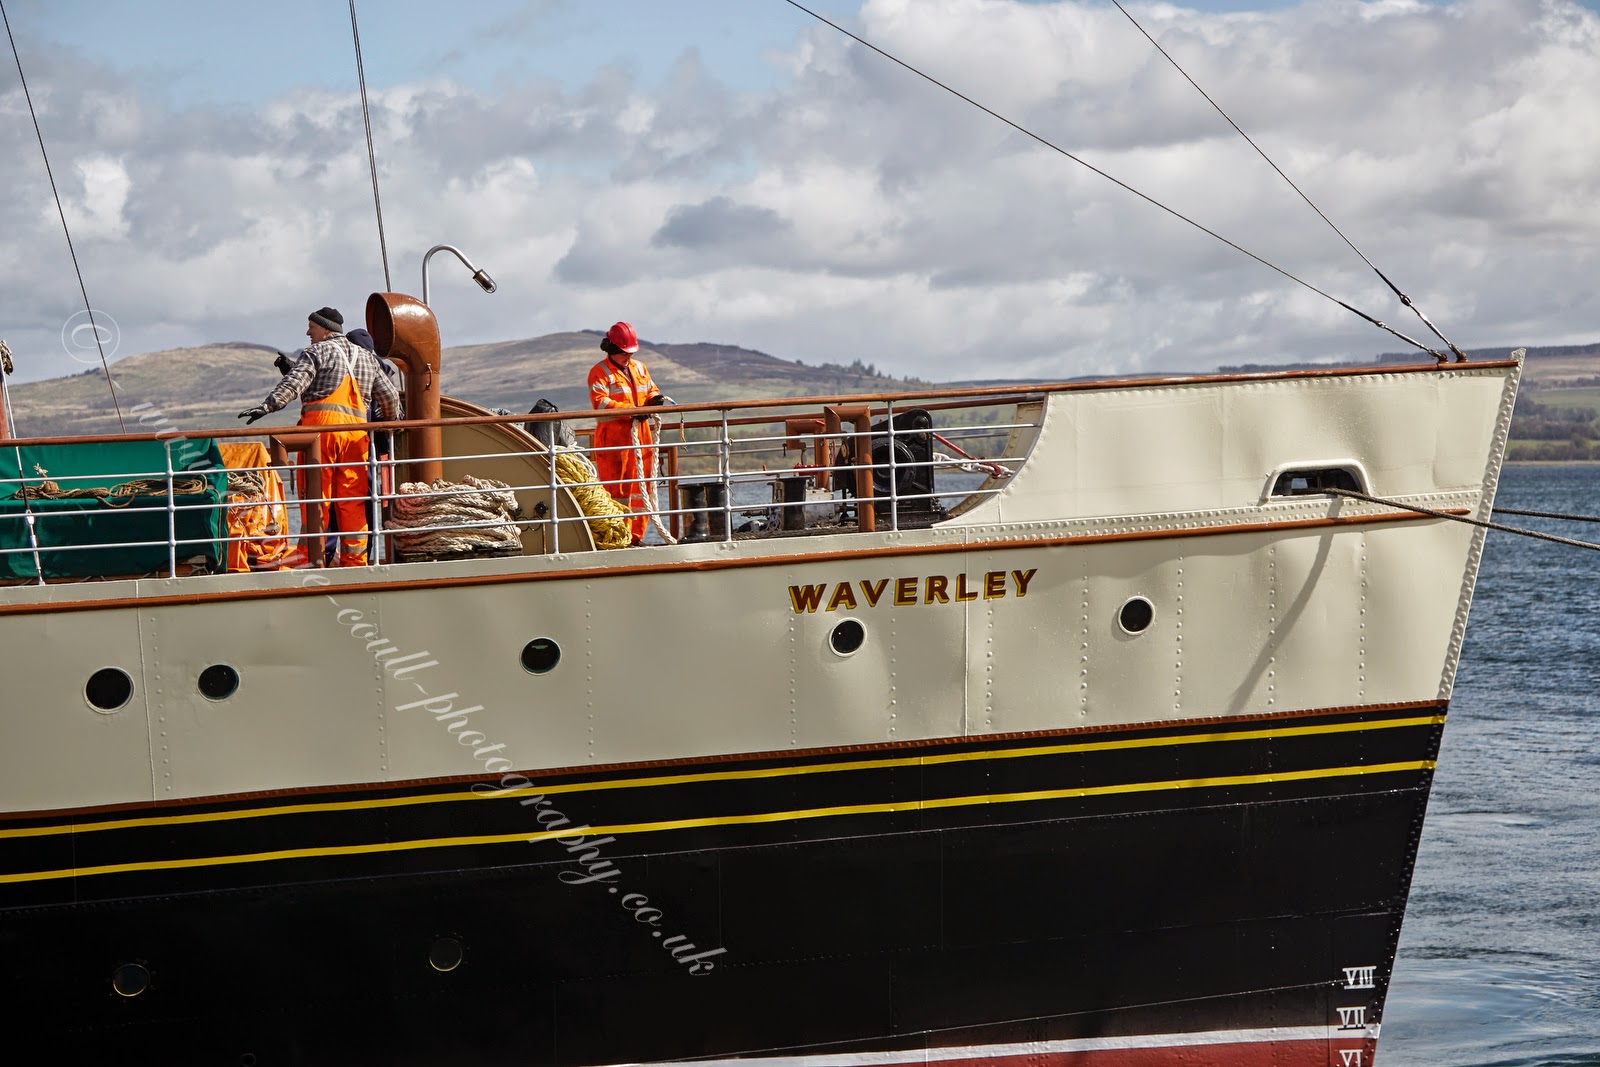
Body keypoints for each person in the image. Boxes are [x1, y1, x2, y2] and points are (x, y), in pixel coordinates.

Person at [239, 307, 401, 566]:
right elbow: (390, 397)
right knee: (352, 503)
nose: (308, 332)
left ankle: (312, 560)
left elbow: (295, 383)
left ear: (325, 329)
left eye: (311, 328)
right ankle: (355, 564)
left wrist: (268, 406)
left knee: (316, 499)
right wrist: (393, 424)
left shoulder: (317, 352)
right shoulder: (366, 357)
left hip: (320, 439)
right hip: (356, 440)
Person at [587, 321, 672, 545]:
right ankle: (618, 536)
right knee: (617, 491)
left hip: (641, 436)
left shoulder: (640, 368)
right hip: (614, 441)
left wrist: (654, 399)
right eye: (625, 353)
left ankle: (636, 537)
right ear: (612, 349)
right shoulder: (600, 372)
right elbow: (601, 403)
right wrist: (633, 412)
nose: (628, 357)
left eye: (631, 353)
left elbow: (651, 388)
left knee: (641, 488)